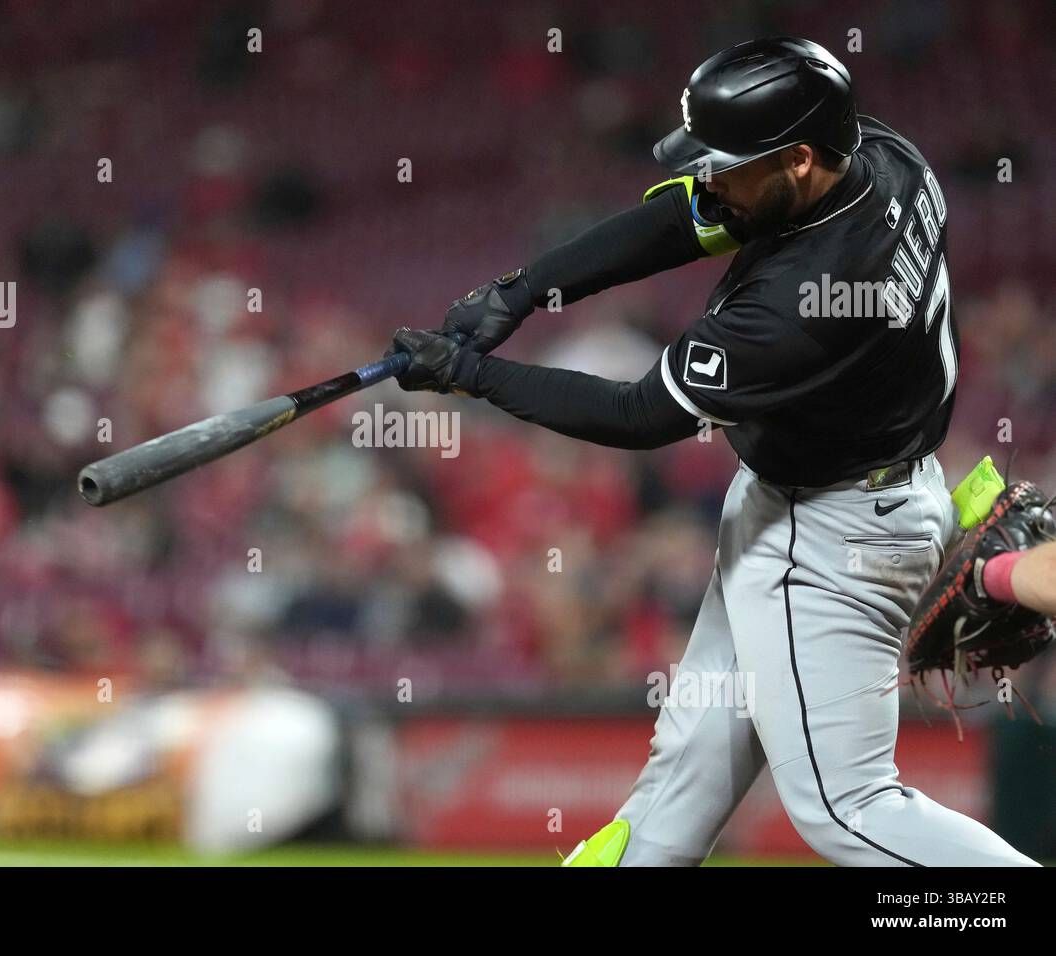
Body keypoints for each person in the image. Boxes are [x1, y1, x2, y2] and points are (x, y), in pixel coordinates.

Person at [386, 36, 1037, 866]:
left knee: (848, 808)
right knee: (686, 770)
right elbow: (688, 216)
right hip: (834, 498)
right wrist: (522, 292)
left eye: (729, 162)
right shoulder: (883, 156)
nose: (710, 178)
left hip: (830, 534)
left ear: (798, 159)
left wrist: (473, 375)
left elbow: (637, 415)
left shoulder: (803, 308)